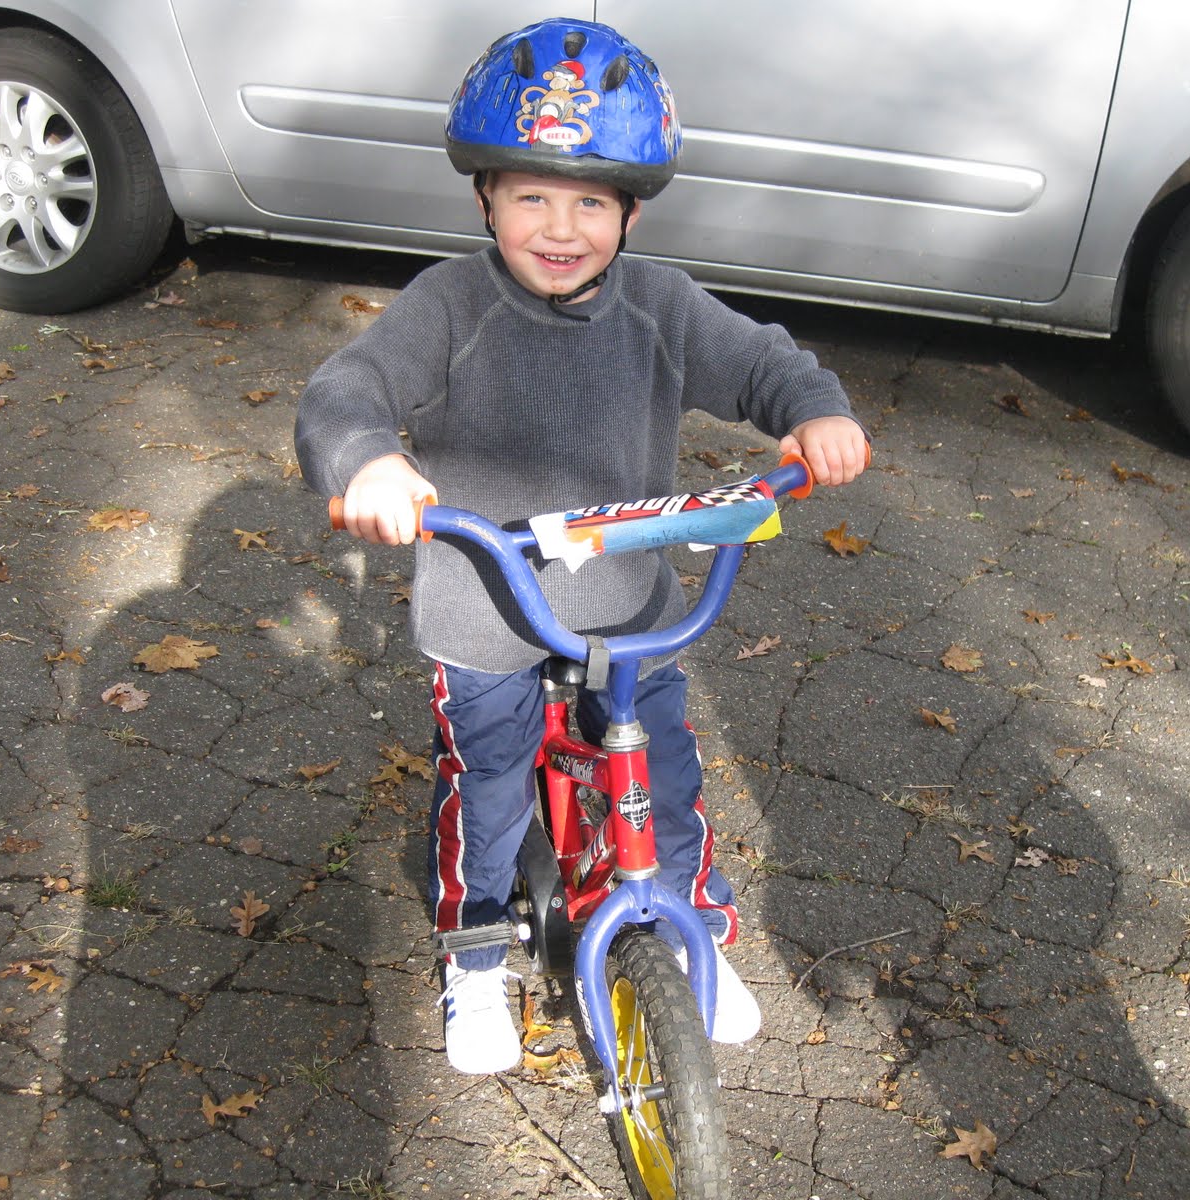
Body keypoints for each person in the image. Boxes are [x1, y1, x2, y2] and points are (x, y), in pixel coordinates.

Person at [295, 18, 868, 1075]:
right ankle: (474, 957)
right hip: (487, 610)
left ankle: (691, 927)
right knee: (489, 787)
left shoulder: (661, 306)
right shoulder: (450, 305)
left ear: (632, 210)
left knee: (665, 776)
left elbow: (759, 361)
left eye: (592, 203)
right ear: (485, 199)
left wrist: (812, 409)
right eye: (530, 198)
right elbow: (349, 388)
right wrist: (367, 460)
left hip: (626, 606)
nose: (560, 229)